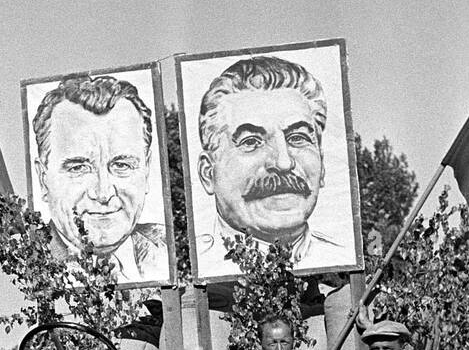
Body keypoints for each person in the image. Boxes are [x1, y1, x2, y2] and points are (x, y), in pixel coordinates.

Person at [194, 55, 351, 278]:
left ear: (322, 165)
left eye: (297, 138)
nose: (283, 162)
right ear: (208, 173)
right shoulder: (196, 266)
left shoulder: (338, 256)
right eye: (251, 142)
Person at [32, 74, 169, 286]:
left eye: (122, 165)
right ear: (43, 179)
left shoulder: (169, 247)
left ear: (147, 169)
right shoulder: (28, 263)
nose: (103, 193)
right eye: (78, 168)